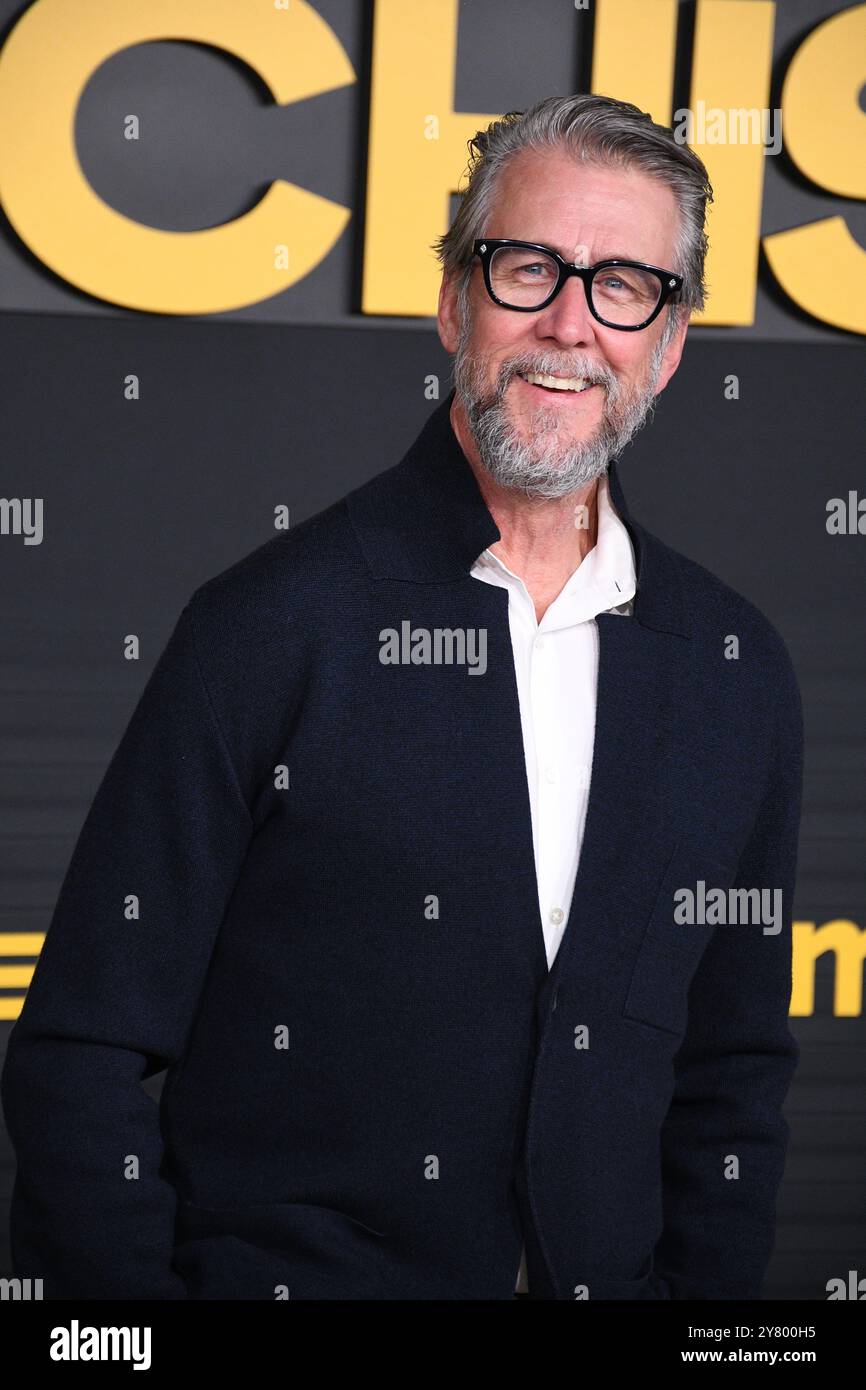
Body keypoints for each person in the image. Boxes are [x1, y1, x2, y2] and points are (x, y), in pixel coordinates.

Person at [2, 93, 802, 1301]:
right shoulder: (266, 627)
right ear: (452, 302)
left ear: (671, 344)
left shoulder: (733, 672)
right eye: (528, 268)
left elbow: (730, 1076)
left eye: (624, 284)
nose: (570, 325)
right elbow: (81, 1052)